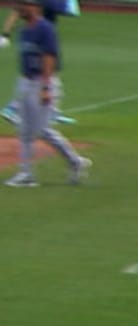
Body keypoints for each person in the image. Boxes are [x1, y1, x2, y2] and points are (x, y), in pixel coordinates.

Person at [5, 0, 85, 188]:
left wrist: (46, 87)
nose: (20, 8)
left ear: (35, 7)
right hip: (25, 81)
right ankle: (26, 174)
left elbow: (49, 57)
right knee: (24, 131)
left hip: (41, 82)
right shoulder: (24, 31)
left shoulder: (45, 29)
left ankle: (75, 161)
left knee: (43, 130)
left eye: (24, 5)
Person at [0, 0, 75, 126]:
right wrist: (5, 34)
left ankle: (52, 112)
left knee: (48, 77)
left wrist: (6, 34)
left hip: (44, 36)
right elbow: (67, 10)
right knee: (44, 76)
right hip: (39, 38)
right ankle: (12, 108)